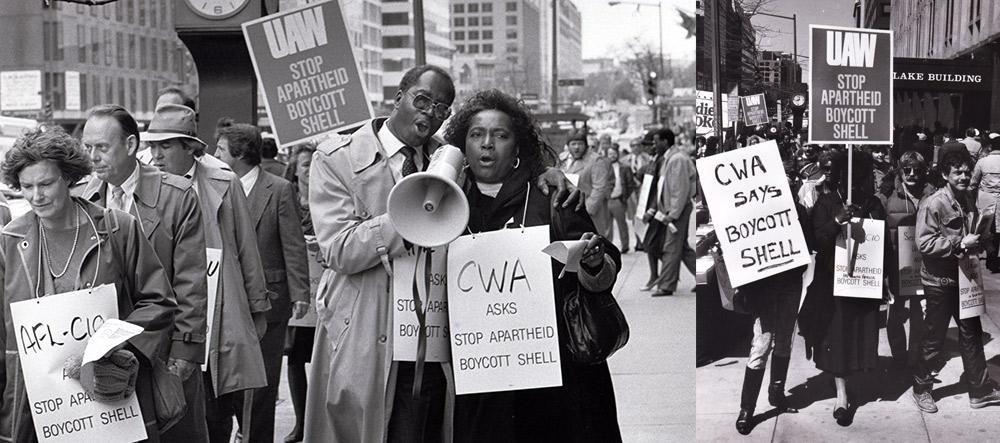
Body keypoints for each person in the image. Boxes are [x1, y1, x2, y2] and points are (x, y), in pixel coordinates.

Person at [304, 65, 580, 442]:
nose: (429, 113)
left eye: (441, 109)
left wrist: (548, 173)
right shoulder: (337, 157)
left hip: (435, 339)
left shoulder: (452, 162)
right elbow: (339, 250)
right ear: (398, 97)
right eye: (422, 100)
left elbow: (501, 168)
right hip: (367, 335)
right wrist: (409, 217)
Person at [445, 88, 622, 442]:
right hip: (483, 376)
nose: (487, 144)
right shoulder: (444, 204)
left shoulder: (551, 196)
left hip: (557, 376)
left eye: (500, 135)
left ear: (518, 145)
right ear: (462, 144)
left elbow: (606, 262)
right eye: (476, 134)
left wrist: (591, 261)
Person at [0, 127, 177, 442]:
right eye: (26, 186)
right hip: (36, 409)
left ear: (68, 178)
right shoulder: (8, 243)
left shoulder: (118, 229)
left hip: (109, 394)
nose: (36, 196)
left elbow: (158, 302)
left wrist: (110, 346)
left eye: (46, 183)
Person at [77, 104, 211, 441]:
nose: (93, 157)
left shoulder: (177, 197)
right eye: (87, 147)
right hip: (104, 356)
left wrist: (185, 353)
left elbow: (191, 283)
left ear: (132, 145)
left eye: (102, 147)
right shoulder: (81, 198)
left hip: (163, 352)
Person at [142, 104, 270, 442]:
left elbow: (247, 249)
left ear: (191, 148)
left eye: (166, 145)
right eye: (152, 146)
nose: (155, 155)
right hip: (168, 314)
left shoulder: (223, 182)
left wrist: (257, 308)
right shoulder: (141, 185)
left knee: (215, 407)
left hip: (218, 311)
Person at [214, 123, 310, 443]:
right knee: (229, 383)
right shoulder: (214, 186)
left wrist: (300, 293)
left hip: (270, 304)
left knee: (263, 384)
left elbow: (293, 243)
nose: (215, 154)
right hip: (225, 304)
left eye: (221, 150)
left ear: (240, 155)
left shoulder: (279, 189)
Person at [798, 149, 886, 425]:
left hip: (863, 284)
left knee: (858, 335)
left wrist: (886, 282)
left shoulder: (873, 203)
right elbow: (816, 240)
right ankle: (842, 394)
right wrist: (838, 220)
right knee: (836, 338)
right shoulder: (825, 202)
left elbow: (884, 246)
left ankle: (854, 376)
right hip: (833, 283)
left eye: (863, 175)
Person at [911, 150, 1000, 413]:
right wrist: (960, 242)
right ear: (944, 175)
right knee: (934, 337)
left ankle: (979, 389)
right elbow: (924, 242)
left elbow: (970, 233)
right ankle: (921, 388)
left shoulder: (968, 199)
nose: (963, 177)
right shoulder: (934, 203)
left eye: (965, 172)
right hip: (939, 281)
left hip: (965, 278)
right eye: (956, 172)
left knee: (971, 334)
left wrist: (981, 236)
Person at [734, 199, 813, 435]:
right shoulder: (754, 207)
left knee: (784, 342)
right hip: (764, 288)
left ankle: (777, 394)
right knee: (761, 345)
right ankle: (747, 408)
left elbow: (808, 243)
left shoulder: (798, 209)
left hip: (789, 283)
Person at [884, 151, 935, 369]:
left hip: (924, 266)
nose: (912, 174)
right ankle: (898, 357)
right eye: (907, 170)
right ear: (900, 171)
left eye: (917, 170)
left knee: (920, 314)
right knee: (895, 314)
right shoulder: (887, 196)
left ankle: (915, 358)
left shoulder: (933, 195)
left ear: (924, 172)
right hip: (897, 266)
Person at [283, 142, 317, 443]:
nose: (311, 170)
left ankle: (318, 421)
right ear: (295, 171)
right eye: (305, 165)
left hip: (325, 293)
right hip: (300, 293)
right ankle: (300, 422)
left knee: (322, 361)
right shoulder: (288, 199)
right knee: (295, 360)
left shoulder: (328, 197)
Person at [646, 133, 697, 297]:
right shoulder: (670, 158)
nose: (654, 146)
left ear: (665, 141)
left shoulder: (677, 160)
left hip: (677, 211)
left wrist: (673, 214)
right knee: (682, 248)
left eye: (656, 142)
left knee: (671, 247)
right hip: (671, 209)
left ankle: (667, 285)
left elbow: (679, 189)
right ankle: (707, 278)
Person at [561, 128, 615, 239]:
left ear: (585, 145)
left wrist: (587, 210)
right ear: (568, 145)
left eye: (580, 143)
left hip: (591, 214)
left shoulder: (596, 161)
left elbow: (599, 188)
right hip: (568, 213)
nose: (576, 147)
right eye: (573, 144)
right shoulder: (563, 159)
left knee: (594, 245)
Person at [971, 133, 1000, 271]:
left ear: (990, 147)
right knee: (997, 231)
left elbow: (974, 182)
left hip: (986, 200)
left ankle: (989, 254)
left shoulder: (982, 161)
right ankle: (993, 259)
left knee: (985, 229)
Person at [606, 146, 634, 253]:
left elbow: (630, 184)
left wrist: (624, 197)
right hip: (606, 200)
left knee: (622, 224)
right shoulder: (604, 167)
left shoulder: (624, 167)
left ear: (617, 154)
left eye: (614, 153)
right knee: (607, 227)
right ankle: (607, 247)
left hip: (618, 200)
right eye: (610, 154)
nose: (612, 156)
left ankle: (625, 246)